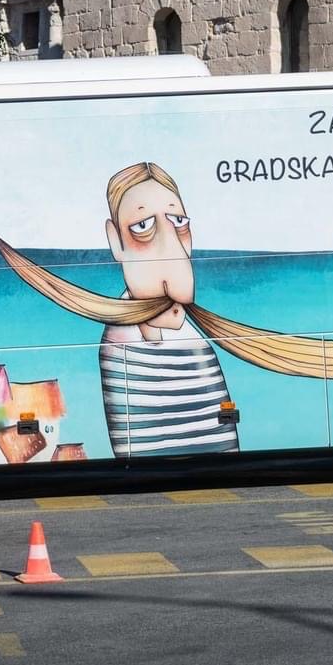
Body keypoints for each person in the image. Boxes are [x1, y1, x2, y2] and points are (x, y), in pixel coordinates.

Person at [94, 163, 239, 458]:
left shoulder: (191, 341)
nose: (169, 246)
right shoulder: (124, 349)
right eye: (142, 226)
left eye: (178, 221)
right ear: (115, 240)